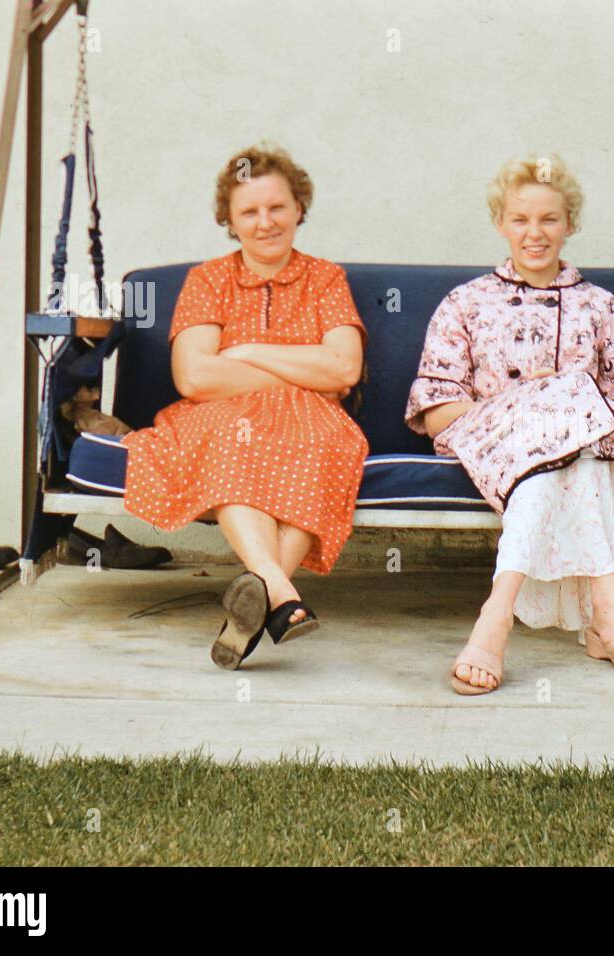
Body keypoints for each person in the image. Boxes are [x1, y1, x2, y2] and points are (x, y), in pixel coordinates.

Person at [404, 153, 614, 695]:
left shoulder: (599, 306)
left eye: (549, 219)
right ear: (500, 223)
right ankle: (611, 612)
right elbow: (437, 410)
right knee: (561, 413)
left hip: (580, 453)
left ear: (569, 224)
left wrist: (566, 410)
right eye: (520, 220)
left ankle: (495, 617)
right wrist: (534, 403)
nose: (535, 233)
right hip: (491, 446)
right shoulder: (466, 303)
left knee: (570, 446)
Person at [122, 144, 368, 669]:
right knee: (234, 443)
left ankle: (258, 601)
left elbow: (344, 369)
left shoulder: (326, 279)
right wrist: (304, 367)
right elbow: (194, 376)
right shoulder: (208, 280)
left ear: (299, 207)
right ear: (230, 222)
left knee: (319, 446)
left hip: (310, 421)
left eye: (277, 207)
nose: (265, 222)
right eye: (249, 212)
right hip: (221, 415)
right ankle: (280, 595)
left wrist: (247, 350)